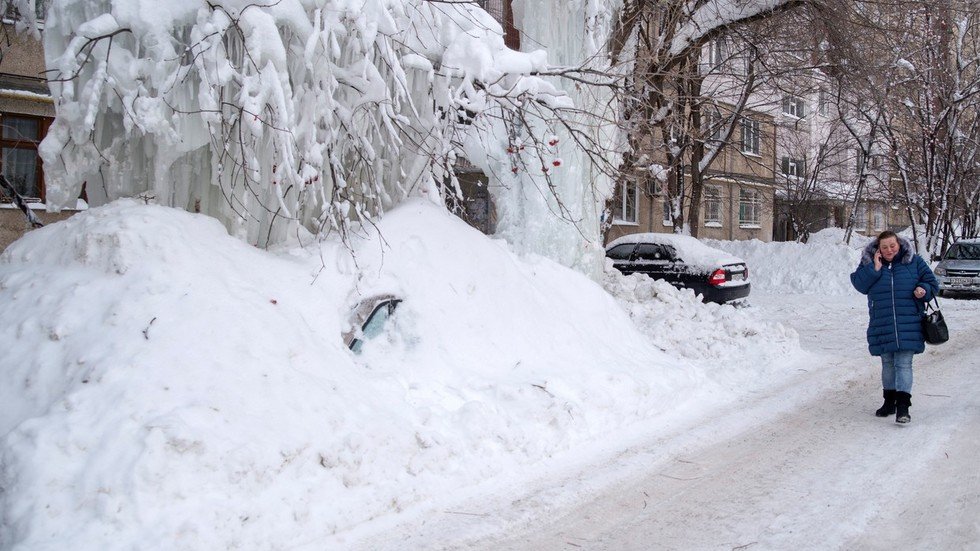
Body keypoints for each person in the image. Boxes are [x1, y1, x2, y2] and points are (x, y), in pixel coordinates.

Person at [850, 230, 939, 424]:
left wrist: (923, 290)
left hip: (909, 322)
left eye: (892, 245)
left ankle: (903, 407)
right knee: (888, 364)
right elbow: (859, 285)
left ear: (899, 244)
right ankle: (889, 402)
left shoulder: (913, 262)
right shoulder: (870, 264)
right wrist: (874, 268)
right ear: (878, 249)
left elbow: (933, 283)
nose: (889, 250)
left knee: (903, 363)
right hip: (882, 322)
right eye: (884, 247)